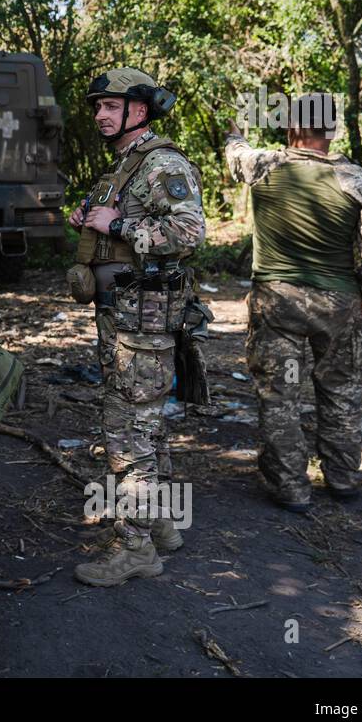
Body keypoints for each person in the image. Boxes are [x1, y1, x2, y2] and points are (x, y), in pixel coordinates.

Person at [225, 93, 362, 511]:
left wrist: (234, 134)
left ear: (290, 129)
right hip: (337, 303)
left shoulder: (261, 164)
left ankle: (290, 486)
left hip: (276, 300)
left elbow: (236, 152)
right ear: (332, 130)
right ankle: (341, 478)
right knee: (341, 389)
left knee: (279, 394)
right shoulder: (356, 179)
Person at [66, 68, 205, 586]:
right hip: (122, 317)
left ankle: (135, 547)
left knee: (128, 434)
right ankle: (163, 524)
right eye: (96, 107)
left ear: (138, 111)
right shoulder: (124, 167)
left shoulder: (162, 163)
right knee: (146, 426)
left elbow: (189, 233)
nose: (100, 115)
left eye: (109, 106)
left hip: (143, 323)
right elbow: (118, 228)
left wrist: (117, 225)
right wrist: (91, 221)